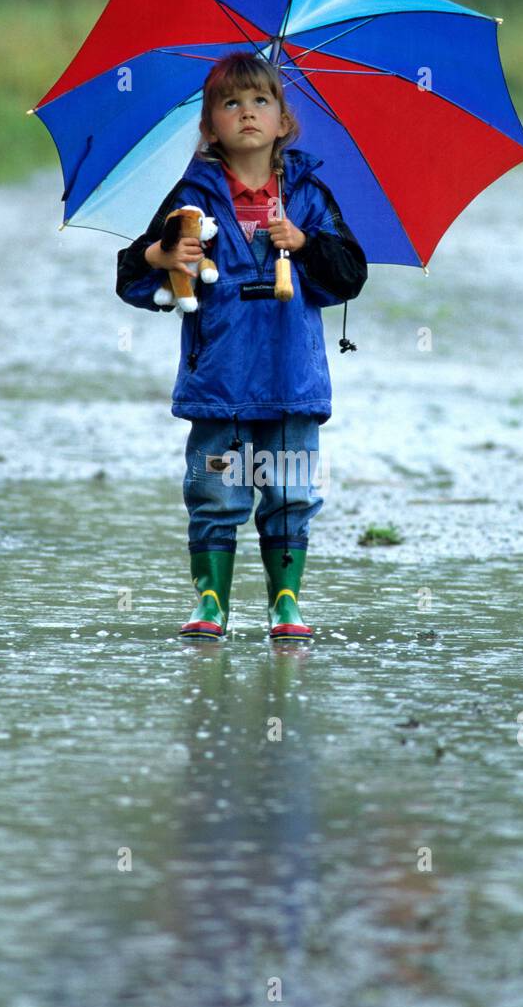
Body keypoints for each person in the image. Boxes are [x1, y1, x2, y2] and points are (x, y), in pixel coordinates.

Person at [115, 51, 367, 642]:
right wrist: (161, 255)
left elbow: (350, 275)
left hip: (290, 382)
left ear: (285, 121)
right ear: (209, 128)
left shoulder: (307, 196)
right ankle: (212, 601)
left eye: (261, 101)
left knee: (289, 490)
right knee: (215, 491)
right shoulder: (191, 197)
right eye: (231, 104)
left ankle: (285, 604)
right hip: (219, 383)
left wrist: (305, 243)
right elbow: (130, 275)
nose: (247, 113)